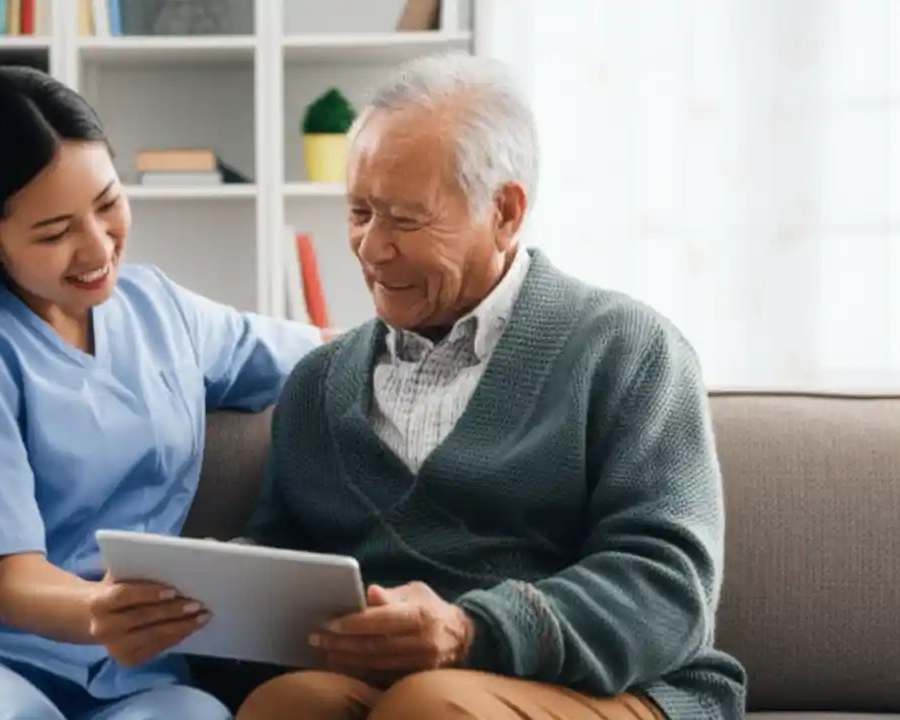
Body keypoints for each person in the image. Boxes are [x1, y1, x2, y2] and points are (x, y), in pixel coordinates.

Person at [233, 54, 748, 720]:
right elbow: (282, 557)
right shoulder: (316, 384)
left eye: (406, 220)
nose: (370, 248)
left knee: (430, 708)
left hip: (613, 688)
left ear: (505, 212)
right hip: (393, 682)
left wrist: (469, 630)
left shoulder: (627, 350)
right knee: (288, 705)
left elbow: (667, 590)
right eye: (360, 211)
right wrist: (209, 590)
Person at [0, 66, 320, 720]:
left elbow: (323, 356)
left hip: (129, 669)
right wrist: (101, 610)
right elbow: (12, 583)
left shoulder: (159, 309)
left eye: (108, 203)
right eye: (54, 232)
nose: (97, 248)